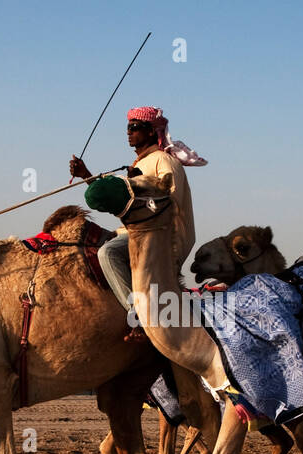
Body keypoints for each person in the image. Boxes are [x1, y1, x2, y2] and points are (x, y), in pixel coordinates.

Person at [70, 107, 204, 337]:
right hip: (134, 233)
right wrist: (86, 175)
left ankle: (139, 314)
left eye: (134, 127)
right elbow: (121, 197)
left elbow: (165, 206)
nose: (129, 132)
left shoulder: (164, 162)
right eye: (127, 128)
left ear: (151, 132)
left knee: (108, 253)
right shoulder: (141, 163)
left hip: (162, 239)